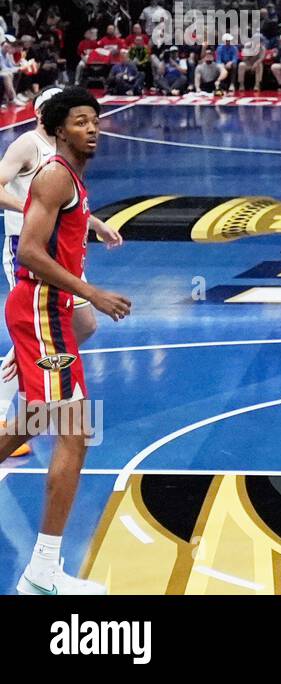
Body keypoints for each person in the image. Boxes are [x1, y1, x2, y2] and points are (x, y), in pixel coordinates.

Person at [0, 88, 132, 594]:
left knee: (37, 420)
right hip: (43, 309)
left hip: (45, 316)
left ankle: (43, 570)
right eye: (80, 121)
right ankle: (42, 572)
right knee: (74, 433)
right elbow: (30, 253)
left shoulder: (71, 178)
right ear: (58, 129)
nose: (92, 128)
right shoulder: (54, 175)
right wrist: (91, 293)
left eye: (94, 120)